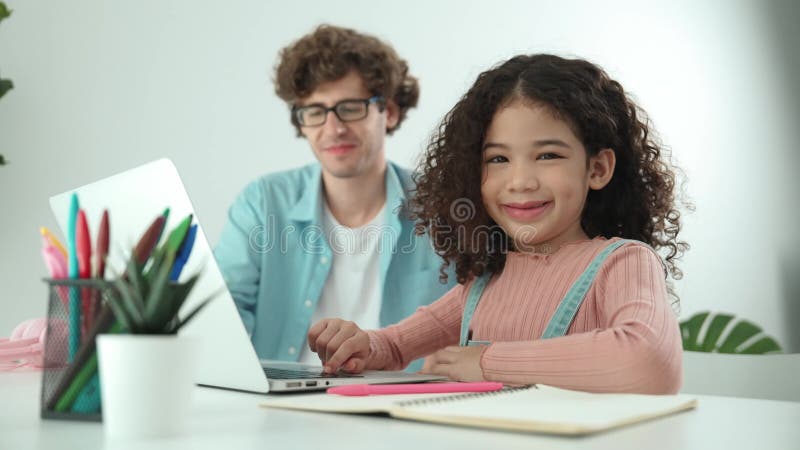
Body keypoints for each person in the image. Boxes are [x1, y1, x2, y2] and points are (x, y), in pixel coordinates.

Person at [307, 54, 689, 394]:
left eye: (548, 155)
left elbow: (649, 359)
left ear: (597, 168)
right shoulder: (487, 280)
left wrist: (486, 360)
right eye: (498, 160)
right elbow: (391, 347)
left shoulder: (621, 263)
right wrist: (357, 345)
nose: (520, 181)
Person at [214, 25, 455, 367]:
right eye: (315, 111)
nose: (333, 128)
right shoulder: (263, 202)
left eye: (350, 107)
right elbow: (223, 313)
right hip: (284, 407)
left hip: (405, 403)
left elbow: (480, 314)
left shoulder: (441, 207)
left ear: (389, 111)